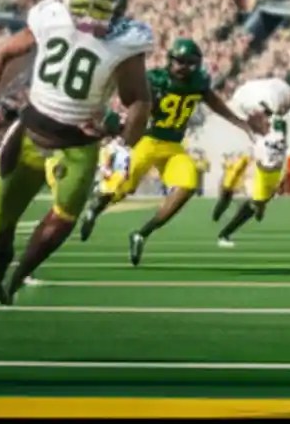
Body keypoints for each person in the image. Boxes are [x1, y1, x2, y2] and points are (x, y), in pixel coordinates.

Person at [0, 0, 153, 306]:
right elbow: (3, 55)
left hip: (77, 142)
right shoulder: (63, 19)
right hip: (33, 132)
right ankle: (0, 273)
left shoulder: (109, 34)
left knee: (63, 218)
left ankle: (19, 275)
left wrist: (122, 145)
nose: (93, 11)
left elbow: (139, 101)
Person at [78, 37, 262, 266]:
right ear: (170, 60)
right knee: (120, 187)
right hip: (148, 139)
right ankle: (94, 210)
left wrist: (241, 123)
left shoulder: (198, 82)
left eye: (189, 63)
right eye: (179, 62)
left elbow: (215, 103)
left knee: (188, 184)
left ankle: (142, 234)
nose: (183, 68)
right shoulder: (155, 80)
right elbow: (134, 107)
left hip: (174, 145)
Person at [214, 75, 290, 246]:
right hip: (258, 146)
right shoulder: (266, 101)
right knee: (233, 176)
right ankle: (223, 208)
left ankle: (234, 224)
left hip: (269, 159)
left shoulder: (277, 111)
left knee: (259, 198)